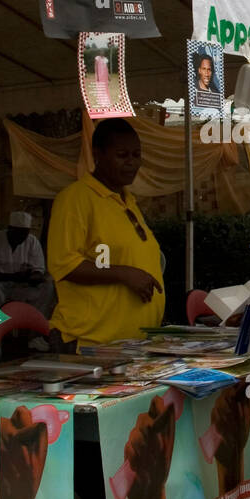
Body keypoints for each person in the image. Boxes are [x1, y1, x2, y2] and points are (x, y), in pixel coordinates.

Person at [46, 118, 164, 352]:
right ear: (97, 154)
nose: (132, 163)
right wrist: (125, 274)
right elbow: (65, 265)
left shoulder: (127, 199)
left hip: (130, 344)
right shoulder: (75, 199)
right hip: (90, 343)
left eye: (136, 154)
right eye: (122, 155)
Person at [0, 211, 55, 317]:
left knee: (48, 287)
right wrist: (14, 277)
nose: (21, 237)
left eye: (24, 234)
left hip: (21, 286)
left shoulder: (32, 242)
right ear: (10, 228)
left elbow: (38, 268)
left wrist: (35, 277)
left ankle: (35, 319)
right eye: (17, 233)